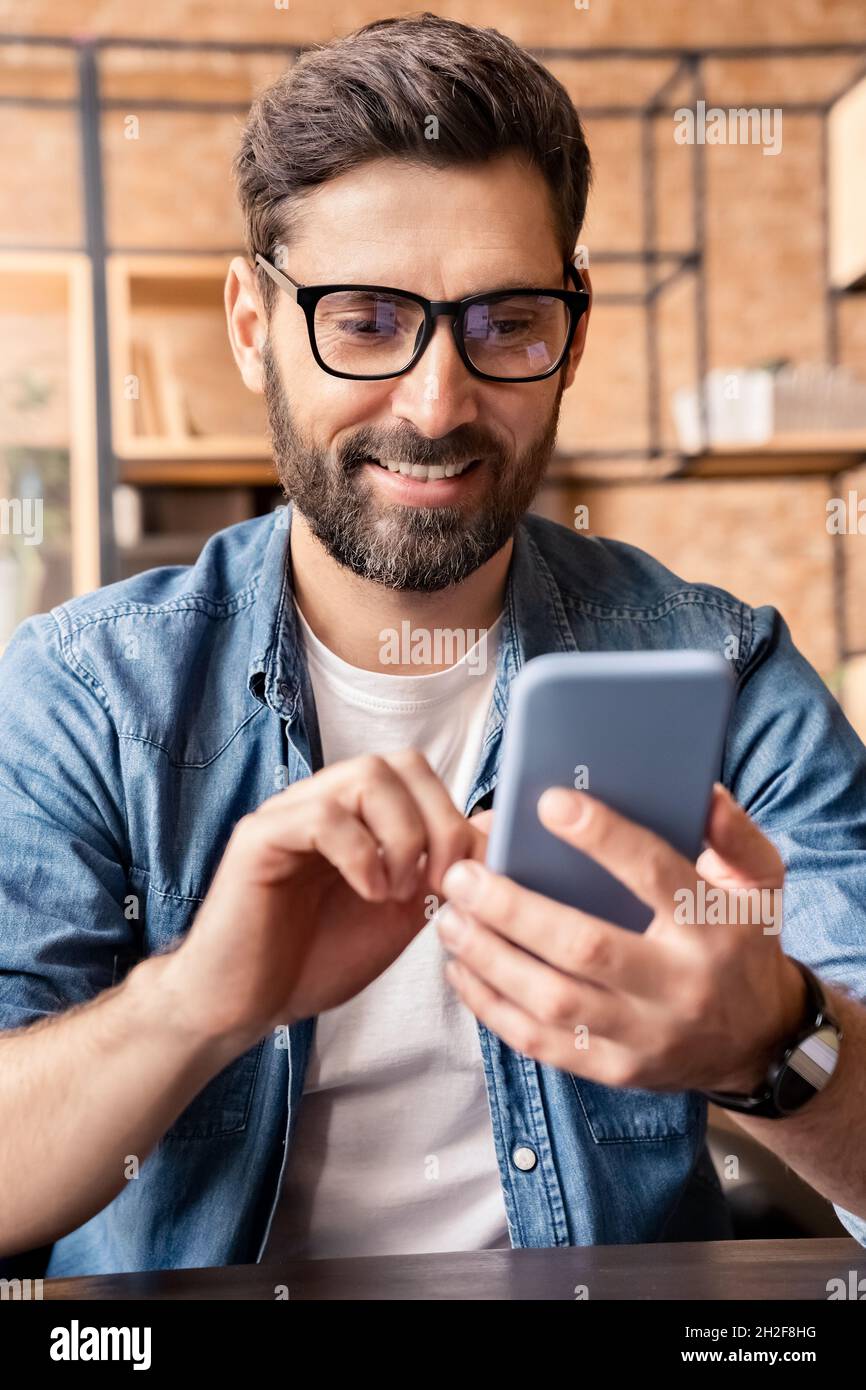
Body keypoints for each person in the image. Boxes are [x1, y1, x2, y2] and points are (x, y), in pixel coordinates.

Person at [1, 13, 864, 1278]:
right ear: (253, 323)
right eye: (362, 320)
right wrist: (197, 1002)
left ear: (574, 329)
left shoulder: (723, 673)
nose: (436, 401)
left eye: (505, 323)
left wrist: (775, 1048)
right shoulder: (83, 692)